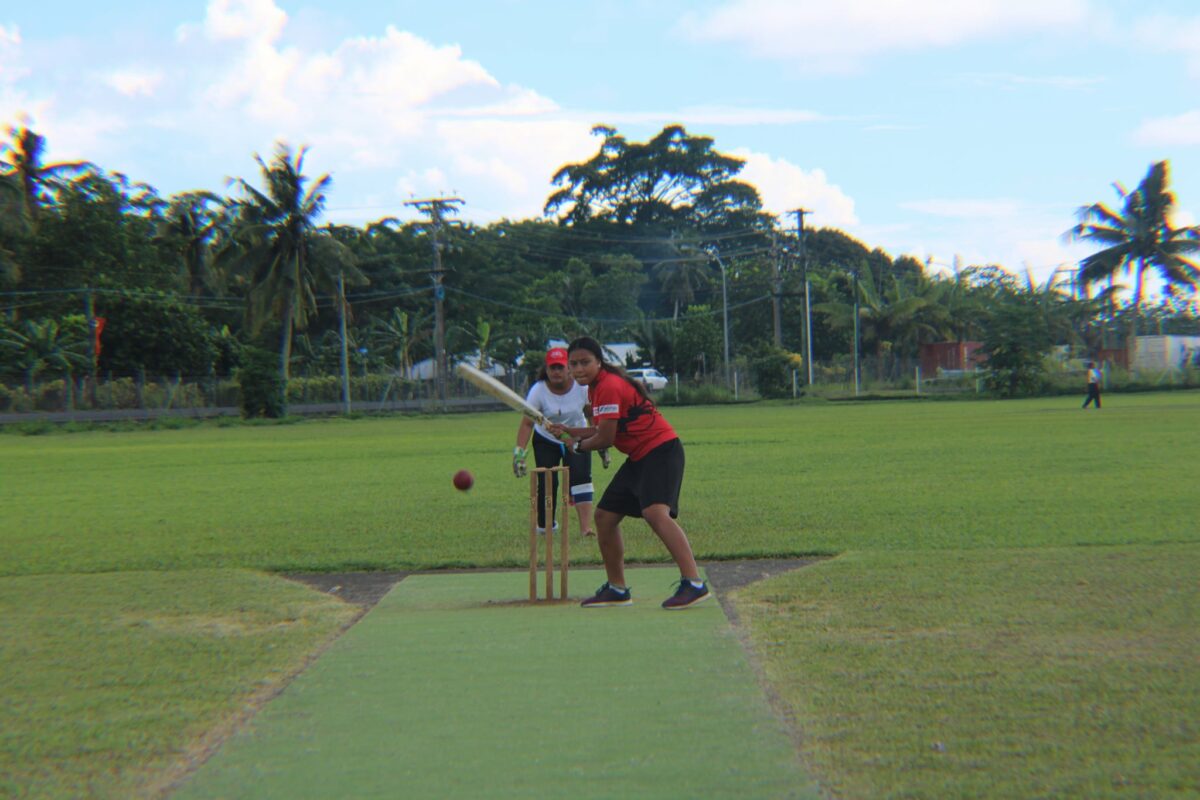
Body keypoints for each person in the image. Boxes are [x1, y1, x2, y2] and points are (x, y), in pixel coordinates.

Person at [547, 336, 710, 610]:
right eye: (573, 364)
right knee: (604, 517)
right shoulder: (596, 387)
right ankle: (617, 589)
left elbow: (605, 439)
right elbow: (602, 428)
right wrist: (569, 431)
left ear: (599, 362)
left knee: (655, 513)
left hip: (661, 451)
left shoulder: (608, 386)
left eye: (585, 362)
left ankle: (694, 583)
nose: (578, 369)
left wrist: (576, 445)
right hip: (640, 457)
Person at [513, 347, 601, 537]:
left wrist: (598, 440)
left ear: (569, 368)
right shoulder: (538, 391)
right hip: (546, 438)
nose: (556, 372)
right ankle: (546, 525)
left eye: (560, 367)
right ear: (546, 369)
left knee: (581, 478)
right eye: (552, 368)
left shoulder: (581, 388)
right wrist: (519, 454)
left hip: (577, 436)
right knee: (547, 481)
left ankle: (586, 528)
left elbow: (590, 414)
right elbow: (527, 423)